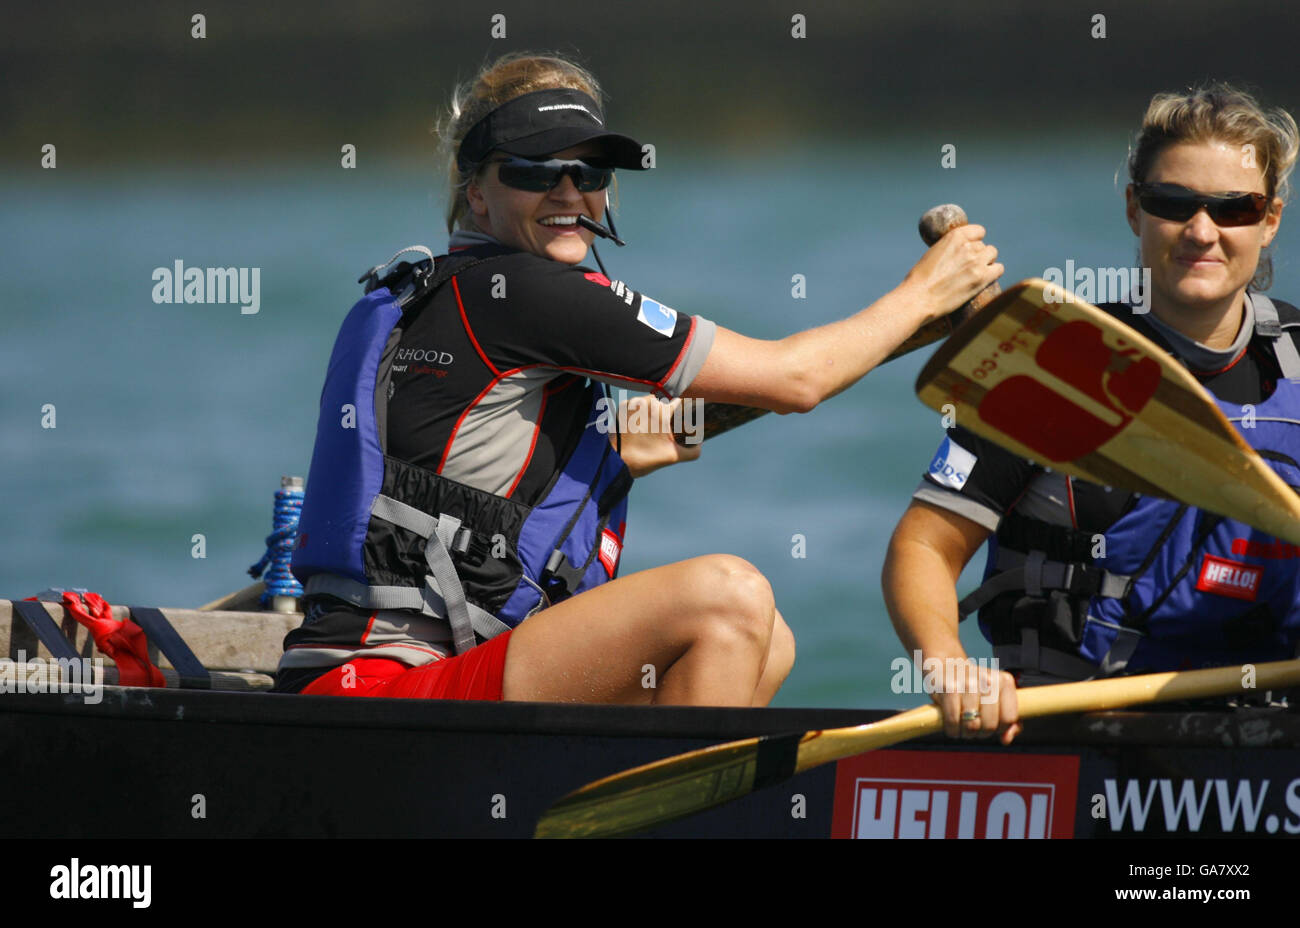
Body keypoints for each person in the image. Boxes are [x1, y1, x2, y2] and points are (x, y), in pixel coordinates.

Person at [273, 52, 1001, 706]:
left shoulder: (435, 292)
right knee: (729, 600)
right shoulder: (524, 292)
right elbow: (797, 379)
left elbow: (476, 457)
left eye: (589, 173)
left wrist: (614, 445)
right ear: (476, 193)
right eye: (533, 170)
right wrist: (925, 297)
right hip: (385, 687)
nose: (569, 193)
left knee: (770, 641)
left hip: (384, 670)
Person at [883, 83, 1300, 743]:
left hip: (1267, 739)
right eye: (1172, 203)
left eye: (1235, 209)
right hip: (1072, 730)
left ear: (1270, 218)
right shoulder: (1050, 368)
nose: (1201, 231)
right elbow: (923, 546)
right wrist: (950, 669)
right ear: (1136, 210)